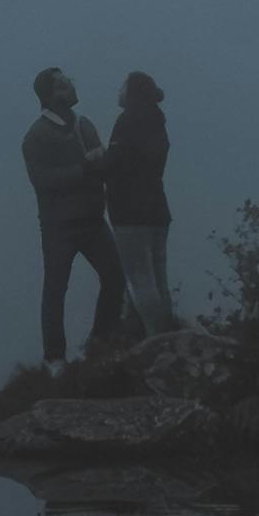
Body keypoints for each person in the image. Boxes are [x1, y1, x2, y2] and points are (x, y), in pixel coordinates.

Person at [19, 67, 127, 372]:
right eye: (65, 85)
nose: (72, 88)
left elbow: (100, 165)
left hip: (92, 219)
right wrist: (84, 169)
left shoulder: (84, 124)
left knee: (115, 277)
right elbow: (41, 180)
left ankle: (101, 343)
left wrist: (106, 161)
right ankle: (55, 358)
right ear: (51, 96)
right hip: (59, 226)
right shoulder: (35, 137)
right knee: (56, 289)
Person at [102, 70, 177, 336]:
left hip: (129, 212)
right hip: (157, 209)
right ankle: (164, 334)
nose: (119, 91)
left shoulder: (127, 121)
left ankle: (158, 338)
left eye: (123, 86)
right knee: (159, 280)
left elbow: (114, 163)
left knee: (140, 280)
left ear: (132, 92)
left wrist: (92, 163)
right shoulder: (157, 121)